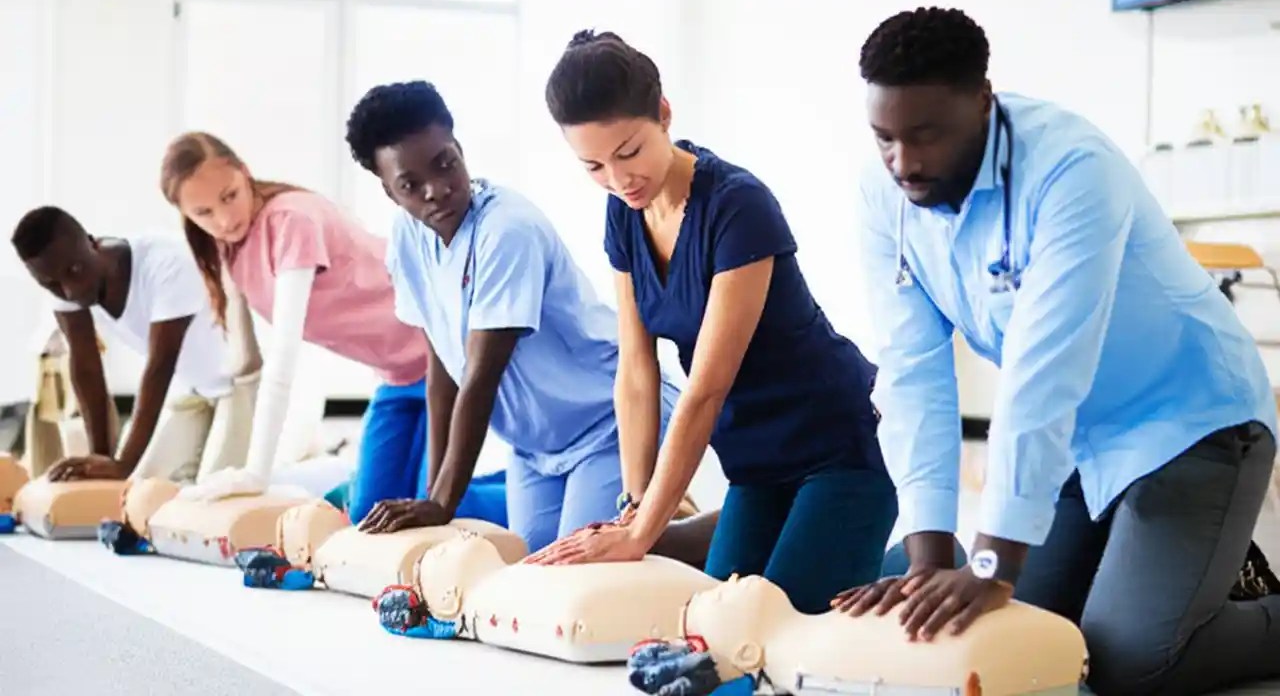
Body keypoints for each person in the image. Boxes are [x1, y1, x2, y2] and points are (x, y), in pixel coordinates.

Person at [836, 7, 1280, 695]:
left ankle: (1233, 593)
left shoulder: (1070, 167)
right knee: (1018, 633)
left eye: (926, 135)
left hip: (1190, 421)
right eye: (885, 138)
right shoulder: (881, 195)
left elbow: (1046, 372)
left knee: (1128, 662)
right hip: (1075, 443)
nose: (905, 162)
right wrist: (928, 557)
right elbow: (912, 373)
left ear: (982, 103)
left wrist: (990, 564)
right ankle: (1171, 572)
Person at [530, 30, 897, 615]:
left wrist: (641, 534)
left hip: (838, 446)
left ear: (664, 115)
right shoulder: (624, 214)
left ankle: (908, 561)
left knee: (774, 623)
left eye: (628, 152)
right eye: (594, 165)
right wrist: (636, 500)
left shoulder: (737, 205)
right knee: (713, 618)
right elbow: (636, 368)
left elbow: (706, 387)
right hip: (754, 467)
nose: (619, 179)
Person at [342, 80, 687, 552]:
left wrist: (444, 501)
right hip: (536, 448)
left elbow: (481, 375)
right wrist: (433, 500)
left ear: (459, 148)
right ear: (389, 192)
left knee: (580, 569)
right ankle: (656, 513)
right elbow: (443, 365)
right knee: (532, 569)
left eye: (446, 163)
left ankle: (689, 522)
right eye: (411, 184)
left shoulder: (507, 229)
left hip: (612, 423)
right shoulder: (408, 238)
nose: (437, 190)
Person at [159, 132, 507, 526]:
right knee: (368, 515)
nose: (224, 218)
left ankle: (535, 490)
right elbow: (245, 359)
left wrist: (256, 472)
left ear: (245, 173)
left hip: (444, 363)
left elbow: (284, 357)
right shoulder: (229, 249)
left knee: (444, 505)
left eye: (229, 195)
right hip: (395, 378)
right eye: (204, 212)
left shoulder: (291, 219)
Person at [10, 206, 258, 484]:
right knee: (139, 490)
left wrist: (123, 463)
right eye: (52, 284)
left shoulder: (167, 263)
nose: (70, 290)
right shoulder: (61, 280)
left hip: (242, 385)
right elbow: (87, 367)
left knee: (214, 491)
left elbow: (160, 366)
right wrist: (100, 460)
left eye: (74, 270)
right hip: (193, 390)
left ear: (93, 242)